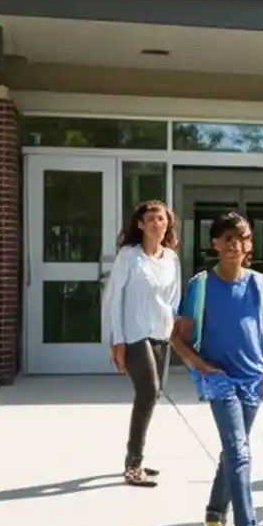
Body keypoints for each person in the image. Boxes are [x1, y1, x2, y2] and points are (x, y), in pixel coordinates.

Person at [171, 211, 263, 526]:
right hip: (218, 379)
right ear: (216, 244)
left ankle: (213, 516)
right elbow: (177, 337)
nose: (237, 244)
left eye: (244, 238)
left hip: (253, 378)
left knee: (232, 452)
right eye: (229, 238)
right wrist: (201, 365)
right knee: (239, 452)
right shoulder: (200, 285)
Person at [108, 199, 181, 488]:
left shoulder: (171, 259)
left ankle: (135, 457)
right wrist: (118, 340)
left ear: (168, 224)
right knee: (148, 392)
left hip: (160, 332)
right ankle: (133, 464)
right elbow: (114, 299)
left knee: (152, 394)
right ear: (140, 224)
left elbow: (174, 298)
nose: (155, 223)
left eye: (161, 218)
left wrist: (173, 330)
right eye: (149, 219)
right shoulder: (129, 256)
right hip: (134, 333)